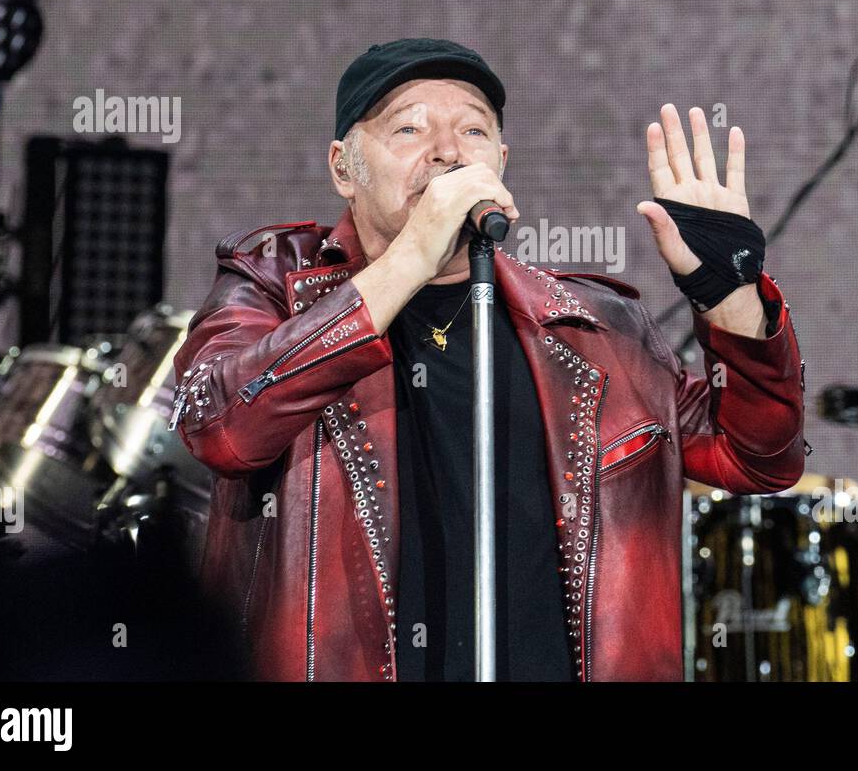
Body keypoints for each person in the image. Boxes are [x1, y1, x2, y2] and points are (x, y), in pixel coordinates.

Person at [171, 37, 806, 681]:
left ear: (500, 165)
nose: (447, 149)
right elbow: (218, 425)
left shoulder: (595, 329)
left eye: (473, 129)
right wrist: (412, 256)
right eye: (409, 126)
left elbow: (759, 456)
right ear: (343, 167)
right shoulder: (275, 287)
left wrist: (728, 296)